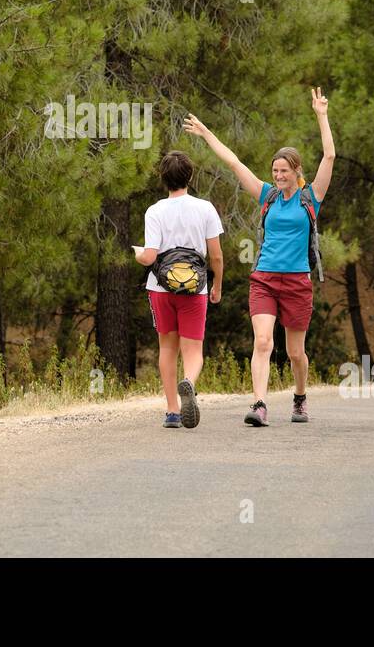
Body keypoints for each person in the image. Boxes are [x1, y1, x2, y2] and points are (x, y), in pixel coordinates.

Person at [184, 87, 335, 426]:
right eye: (275, 171)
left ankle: (299, 398)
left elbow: (329, 158)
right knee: (263, 341)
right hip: (264, 279)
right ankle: (260, 405)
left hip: (297, 281)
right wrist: (207, 133)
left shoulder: (312, 196)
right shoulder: (266, 195)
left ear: (296, 172)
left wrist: (321, 116)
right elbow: (234, 161)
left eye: (284, 171)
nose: (278, 176)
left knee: (296, 353)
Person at [132, 151, 223, 429]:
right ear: (190, 176)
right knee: (193, 349)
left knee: (167, 348)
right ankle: (190, 382)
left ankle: (172, 410)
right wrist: (216, 284)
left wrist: (137, 254)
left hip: (161, 288)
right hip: (195, 289)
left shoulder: (155, 210)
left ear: (163, 179)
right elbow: (216, 256)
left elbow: (149, 257)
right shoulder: (205, 208)